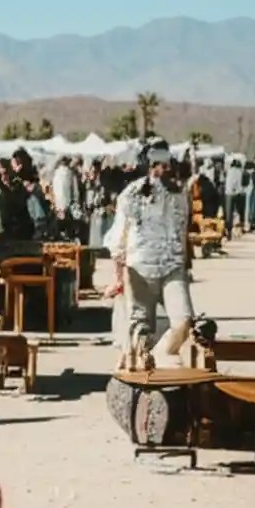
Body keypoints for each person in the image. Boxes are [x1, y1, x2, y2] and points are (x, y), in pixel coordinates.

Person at [104, 138, 193, 368]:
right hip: (138, 269)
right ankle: (141, 371)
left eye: (165, 164)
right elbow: (118, 240)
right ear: (147, 163)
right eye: (156, 163)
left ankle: (159, 356)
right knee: (139, 333)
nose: (162, 169)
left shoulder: (179, 195)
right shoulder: (131, 195)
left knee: (184, 322)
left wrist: (185, 264)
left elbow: (183, 231)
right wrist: (118, 278)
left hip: (172, 268)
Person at [224, 158, 245, 239]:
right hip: (236, 194)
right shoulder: (238, 171)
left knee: (229, 213)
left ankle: (228, 231)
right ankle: (237, 229)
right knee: (237, 212)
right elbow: (237, 183)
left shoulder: (229, 171)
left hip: (228, 193)